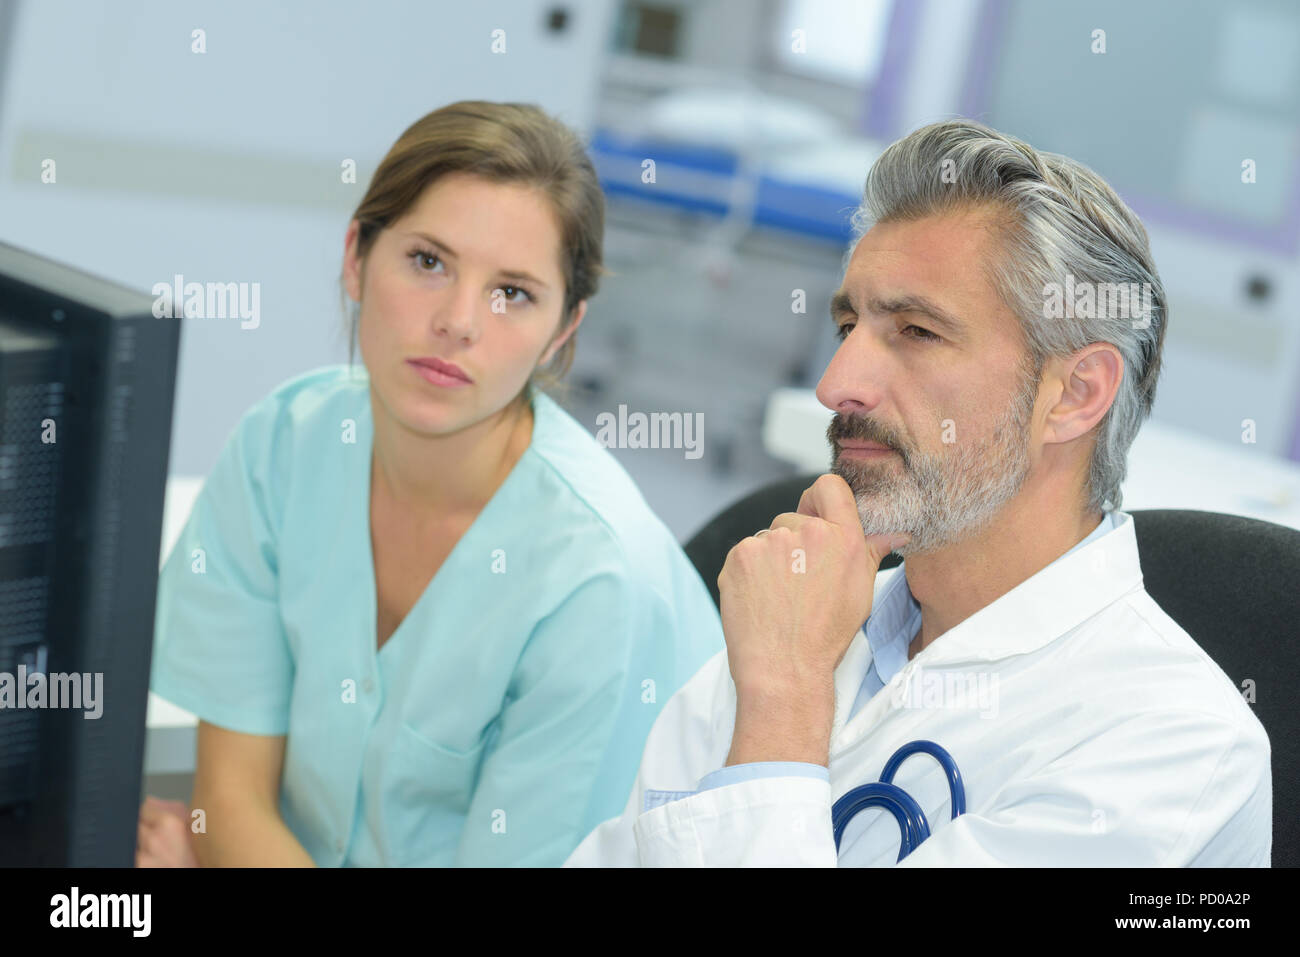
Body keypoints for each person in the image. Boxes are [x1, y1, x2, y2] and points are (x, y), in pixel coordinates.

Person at [565, 119, 1272, 867]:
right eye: (847, 324)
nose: (836, 384)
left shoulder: (1174, 748)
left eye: (916, 331)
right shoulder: (803, 623)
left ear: (1074, 394)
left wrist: (783, 705)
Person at [138, 100, 724, 867]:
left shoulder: (598, 584)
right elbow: (232, 799)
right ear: (355, 257)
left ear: (563, 331)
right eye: (427, 261)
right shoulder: (283, 447)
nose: (457, 321)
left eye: (511, 291)